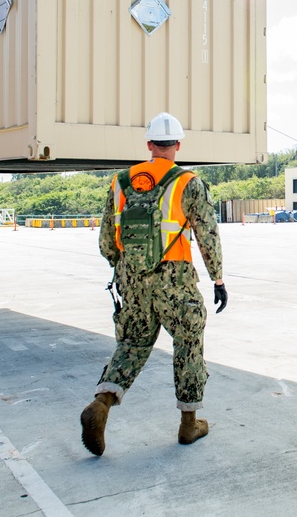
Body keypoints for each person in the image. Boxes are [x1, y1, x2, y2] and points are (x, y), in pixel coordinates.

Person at [81, 112, 228, 456]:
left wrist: (125, 270)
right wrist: (218, 278)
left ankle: (102, 403)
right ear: (177, 145)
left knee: (133, 342)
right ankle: (189, 425)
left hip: (131, 279)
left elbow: (106, 241)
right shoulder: (188, 181)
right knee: (188, 342)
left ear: (149, 144)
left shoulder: (120, 181)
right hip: (174, 279)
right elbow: (208, 235)